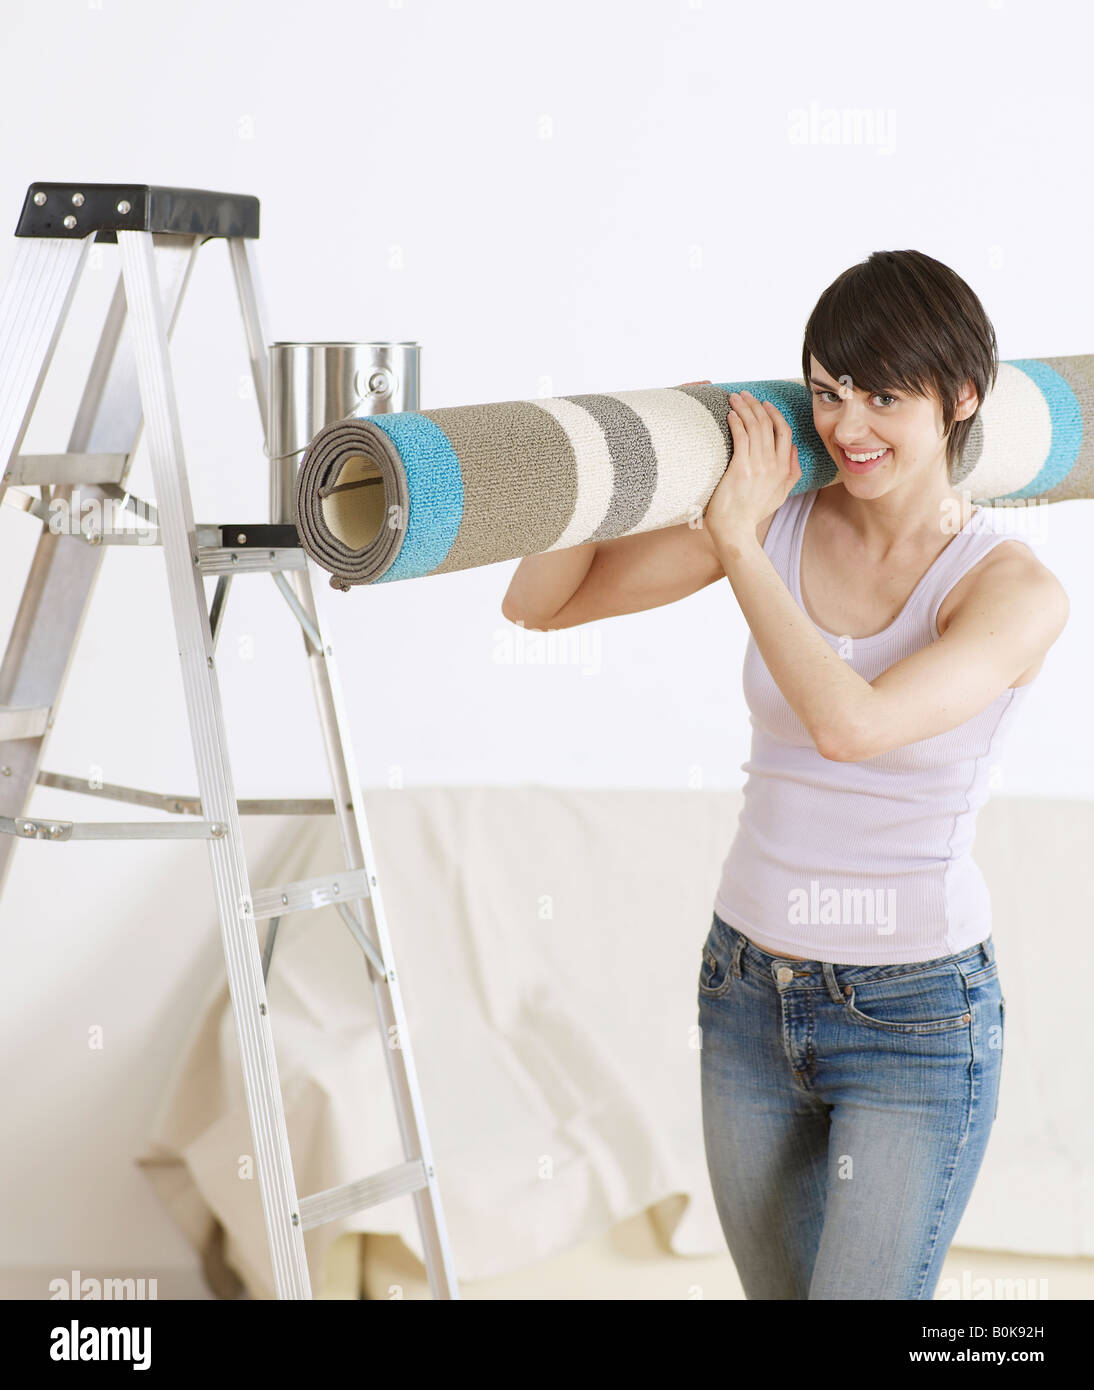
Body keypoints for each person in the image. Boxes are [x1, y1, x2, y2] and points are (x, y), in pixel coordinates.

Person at [500, 249, 1070, 1299]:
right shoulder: (778, 517)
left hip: (914, 1022)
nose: (845, 428)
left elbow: (850, 725)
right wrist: (587, 461)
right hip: (745, 995)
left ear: (959, 398)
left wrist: (734, 538)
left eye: (880, 397)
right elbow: (542, 603)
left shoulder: (1008, 588)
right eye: (824, 392)